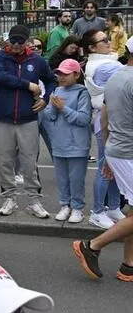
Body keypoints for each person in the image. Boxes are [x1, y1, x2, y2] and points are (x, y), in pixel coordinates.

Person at [73, 43, 133, 283]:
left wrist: (107, 152)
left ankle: (129, 265)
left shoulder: (117, 77)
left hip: (119, 149)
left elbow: (105, 115)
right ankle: (92, 246)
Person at [0, 25, 55, 218]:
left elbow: (51, 80)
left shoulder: (37, 60)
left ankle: (34, 201)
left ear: (27, 41)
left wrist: (45, 99)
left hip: (27, 118)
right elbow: (0, 77)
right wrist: (28, 85)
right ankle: (9, 198)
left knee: (29, 162)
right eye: (13, 40)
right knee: (4, 160)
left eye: (20, 41)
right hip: (3, 118)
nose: (16, 45)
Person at [42, 59, 92, 224]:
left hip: (77, 145)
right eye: (59, 73)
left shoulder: (82, 92)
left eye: (66, 73)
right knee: (62, 178)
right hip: (59, 143)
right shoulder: (56, 90)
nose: (61, 77)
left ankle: (77, 208)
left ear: (76, 74)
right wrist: (54, 108)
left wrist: (63, 108)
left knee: (76, 178)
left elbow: (84, 119)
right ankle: (65, 205)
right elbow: (48, 116)